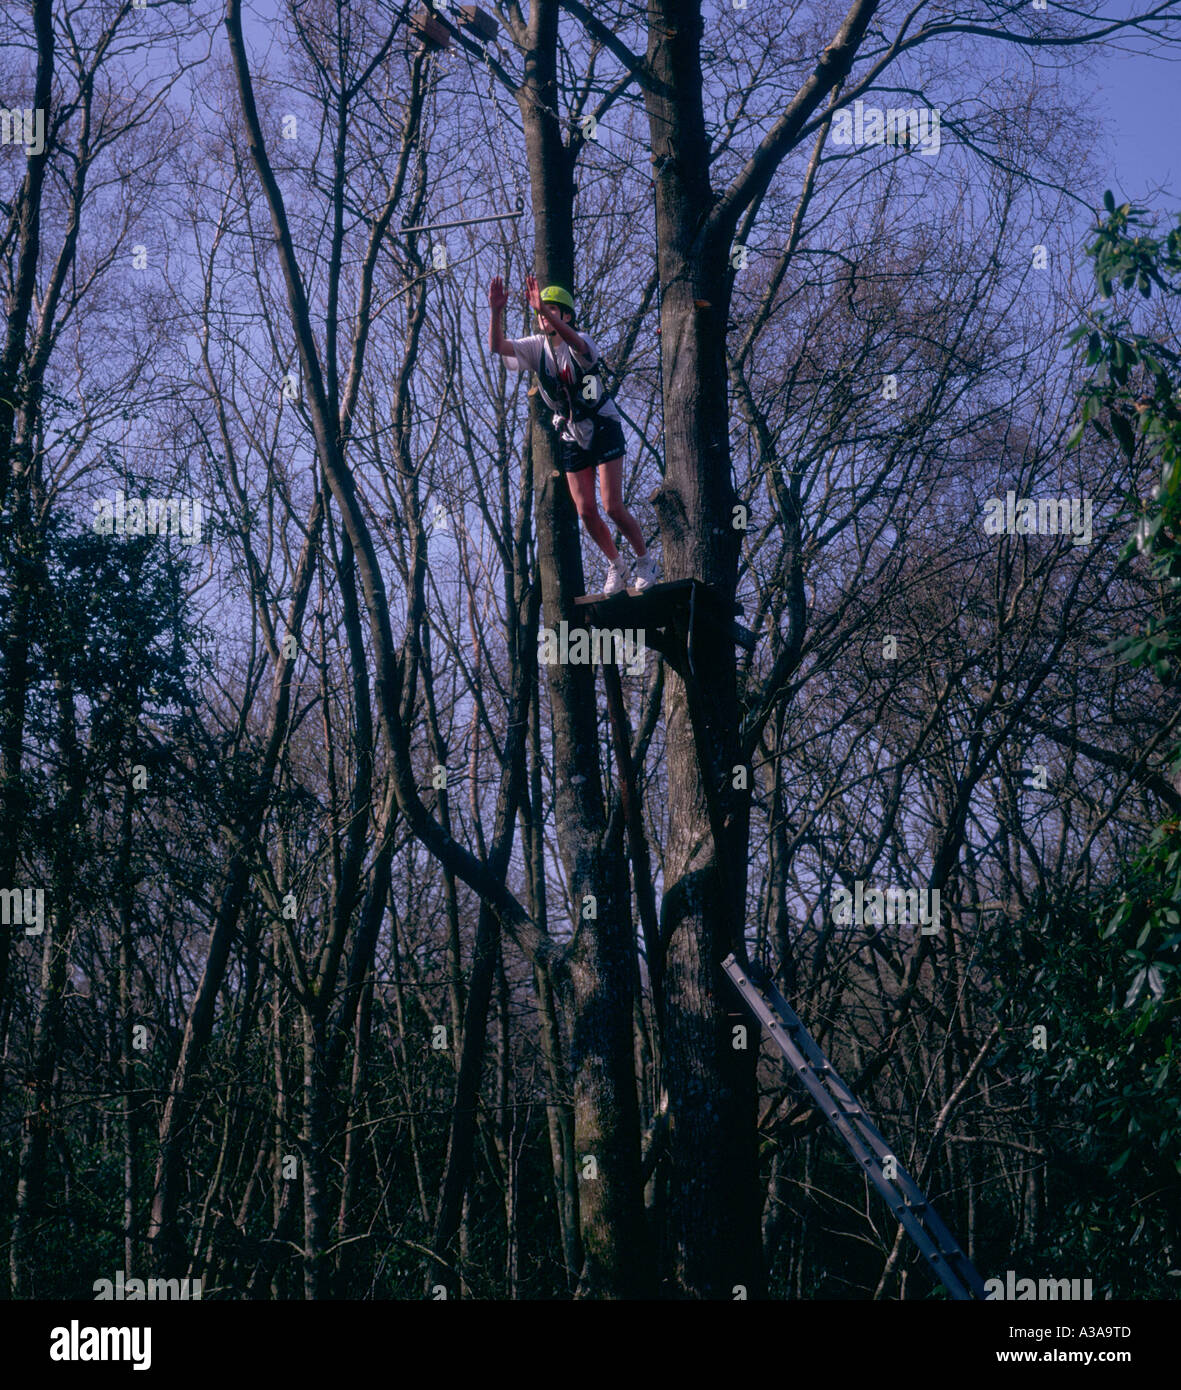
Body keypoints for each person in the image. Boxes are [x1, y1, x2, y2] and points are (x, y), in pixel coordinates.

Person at [488, 272, 659, 595]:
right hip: (571, 432)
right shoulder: (535, 348)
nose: (544, 317)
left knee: (612, 506)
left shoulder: (582, 341)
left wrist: (545, 311)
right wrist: (497, 311)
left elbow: (577, 344)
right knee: (585, 510)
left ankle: (644, 560)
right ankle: (617, 566)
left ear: (565, 316)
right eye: (541, 311)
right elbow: (498, 346)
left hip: (603, 426)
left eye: (552, 311)